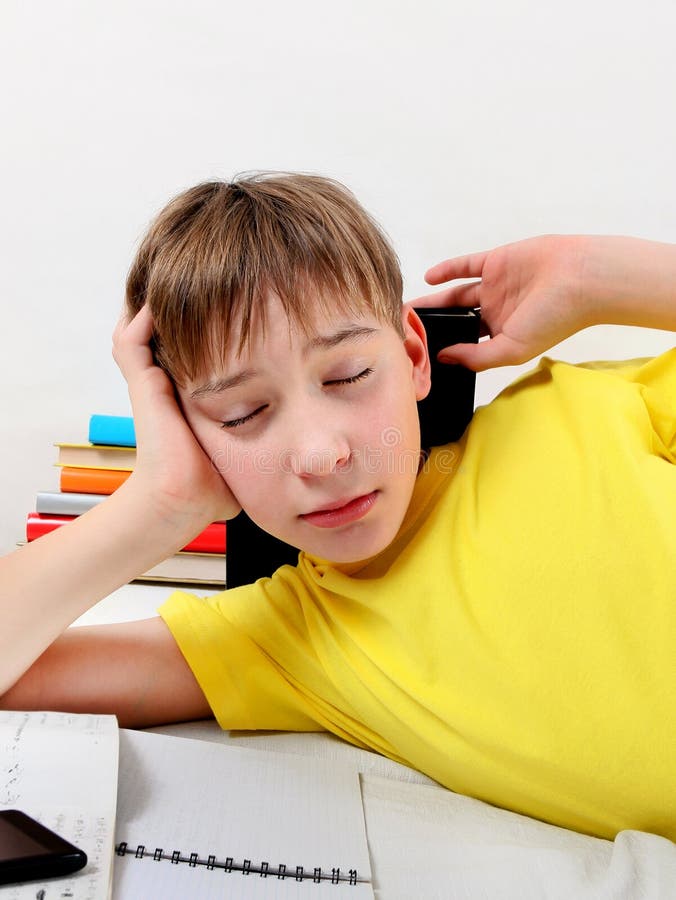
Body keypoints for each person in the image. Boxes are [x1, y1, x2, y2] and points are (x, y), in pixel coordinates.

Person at [1, 175, 674, 842]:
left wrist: (600, 275)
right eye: (243, 414)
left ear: (413, 355)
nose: (321, 455)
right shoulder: (296, 639)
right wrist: (159, 505)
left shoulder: (585, 411)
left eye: (348, 377)